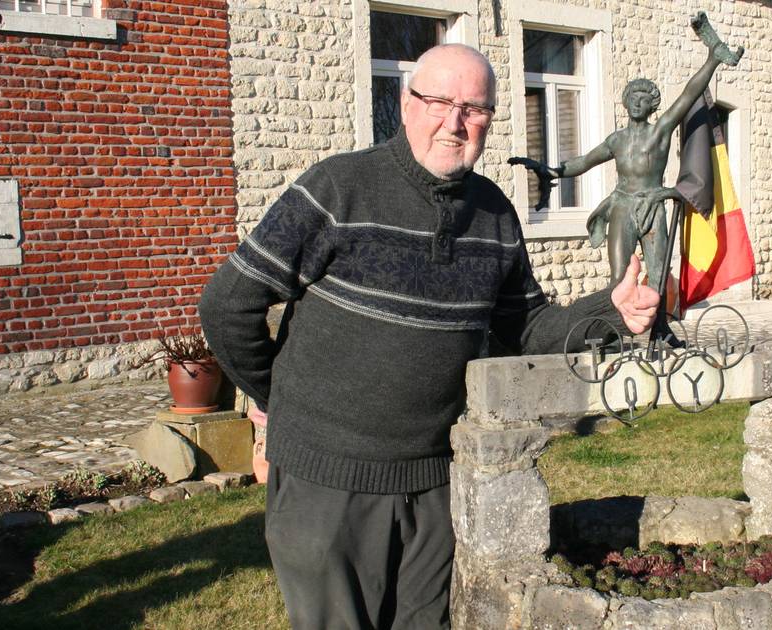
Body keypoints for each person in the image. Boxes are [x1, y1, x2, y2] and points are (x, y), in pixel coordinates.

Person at [198, 43, 659, 630]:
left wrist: (611, 310)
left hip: (437, 483)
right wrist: (279, 401)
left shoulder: (494, 214)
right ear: (406, 103)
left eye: (474, 108)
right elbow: (228, 305)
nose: (454, 122)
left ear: (489, 118)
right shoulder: (338, 188)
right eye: (439, 101)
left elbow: (525, 330)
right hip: (327, 483)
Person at [510, 32, 737, 287]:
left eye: (644, 99)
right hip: (622, 206)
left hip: (652, 206)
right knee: (619, 277)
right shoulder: (616, 141)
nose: (637, 103)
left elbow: (688, 95)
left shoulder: (659, 132)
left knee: (659, 277)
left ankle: (660, 314)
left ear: (652, 106)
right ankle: (616, 314)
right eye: (633, 98)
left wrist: (712, 60)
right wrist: (552, 171)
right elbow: (585, 161)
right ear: (626, 102)